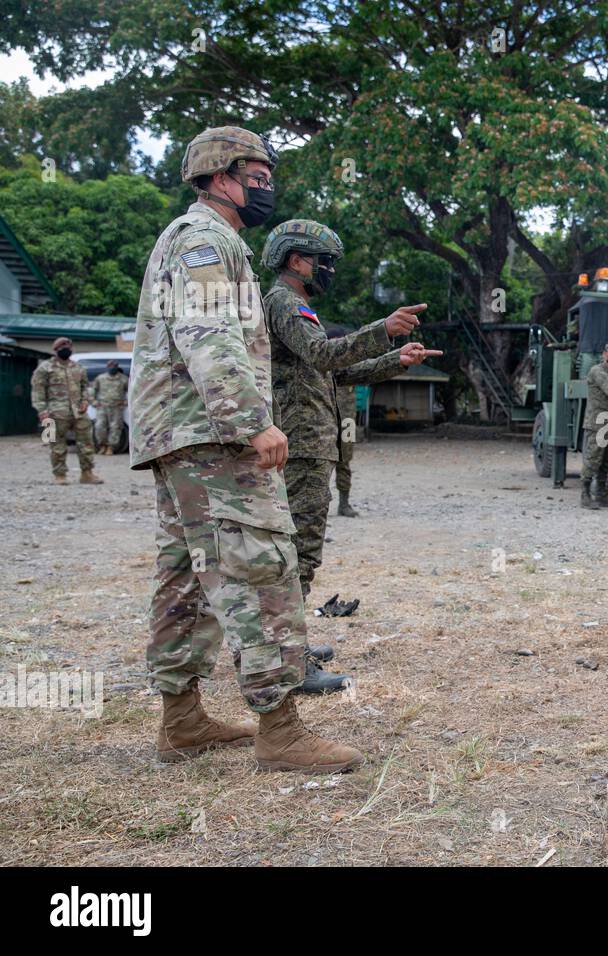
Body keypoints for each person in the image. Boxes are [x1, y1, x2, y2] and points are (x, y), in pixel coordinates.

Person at [130, 125, 362, 774]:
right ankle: (280, 730)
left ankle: (181, 721)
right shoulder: (205, 239)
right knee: (263, 570)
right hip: (211, 435)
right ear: (219, 176)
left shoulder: (204, 240)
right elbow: (208, 333)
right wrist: (253, 421)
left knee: (184, 577)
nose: (265, 188)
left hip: (181, 436)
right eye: (256, 176)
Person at [261, 219, 436, 691]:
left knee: (302, 551)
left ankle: (288, 645)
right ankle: (288, 661)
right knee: (299, 553)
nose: (328, 270)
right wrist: (382, 329)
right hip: (301, 445)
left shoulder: (295, 306)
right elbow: (321, 354)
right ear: (297, 260)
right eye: (324, 262)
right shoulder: (284, 302)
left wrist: (394, 358)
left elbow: (336, 371)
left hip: (310, 443)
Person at [31, 337, 102, 485]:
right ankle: (60, 475)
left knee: (86, 443)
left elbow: (84, 387)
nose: (67, 349)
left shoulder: (78, 367)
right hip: (55, 412)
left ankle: (87, 474)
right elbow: (38, 391)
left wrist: (85, 401)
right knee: (56, 444)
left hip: (79, 412)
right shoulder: (45, 368)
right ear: (56, 350)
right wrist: (42, 411)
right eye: (63, 347)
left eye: (69, 347)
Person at [580, 342, 608, 509]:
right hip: (597, 422)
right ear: (604, 354)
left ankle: (601, 494)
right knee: (593, 459)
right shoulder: (597, 371)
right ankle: (585, 494)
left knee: (606, 460)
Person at [327, 337, 359, 517]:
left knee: (345, 461)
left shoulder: (351, 366)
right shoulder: (320, 367)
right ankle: (319, 503)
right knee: (321, 461)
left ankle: (344, 503)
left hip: (348, 422)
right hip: (327, 420)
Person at [92, 359, 128, 454]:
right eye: (110, 366)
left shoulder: (124, 379)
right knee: (99, 426)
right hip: (102, 407)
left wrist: (126, 402)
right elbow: (93, 391)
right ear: (107, 367)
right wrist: (94, 402)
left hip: (117, 407)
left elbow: (132, 392)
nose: (112, 368)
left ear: (117, 367)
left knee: (115, 428)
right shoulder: (100, 378)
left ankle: (111, 447)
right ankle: (102, 445)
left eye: (114, 366)